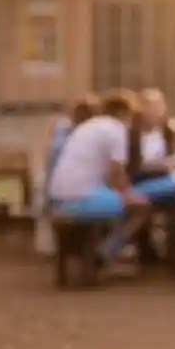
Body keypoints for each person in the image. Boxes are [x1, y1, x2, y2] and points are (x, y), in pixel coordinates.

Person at [48, 90, 149, 266]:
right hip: (79, 199)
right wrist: (129, 194)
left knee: (118, 203)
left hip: (58, 195)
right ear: (125, 113)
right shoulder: (116, 129)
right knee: (140, 207)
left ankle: (98, 251)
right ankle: (104, 254)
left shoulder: (89, 126)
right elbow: (117, 172)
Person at [127, 88, 175, 263]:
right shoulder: (131, 133)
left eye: (159, 106)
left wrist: (173, 162)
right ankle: (147, 254)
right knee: (141, 208)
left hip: (165, 179)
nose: (155, 111)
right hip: (139, 180)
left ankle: (173, 258)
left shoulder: (169, 130)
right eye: (150, 106)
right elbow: (130, 165)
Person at [43, 94, 100, 212]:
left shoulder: (96, 132)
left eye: (87, 111)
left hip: (81, 191)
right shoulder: (61, 129)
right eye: (79, 110)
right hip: (67, 193)